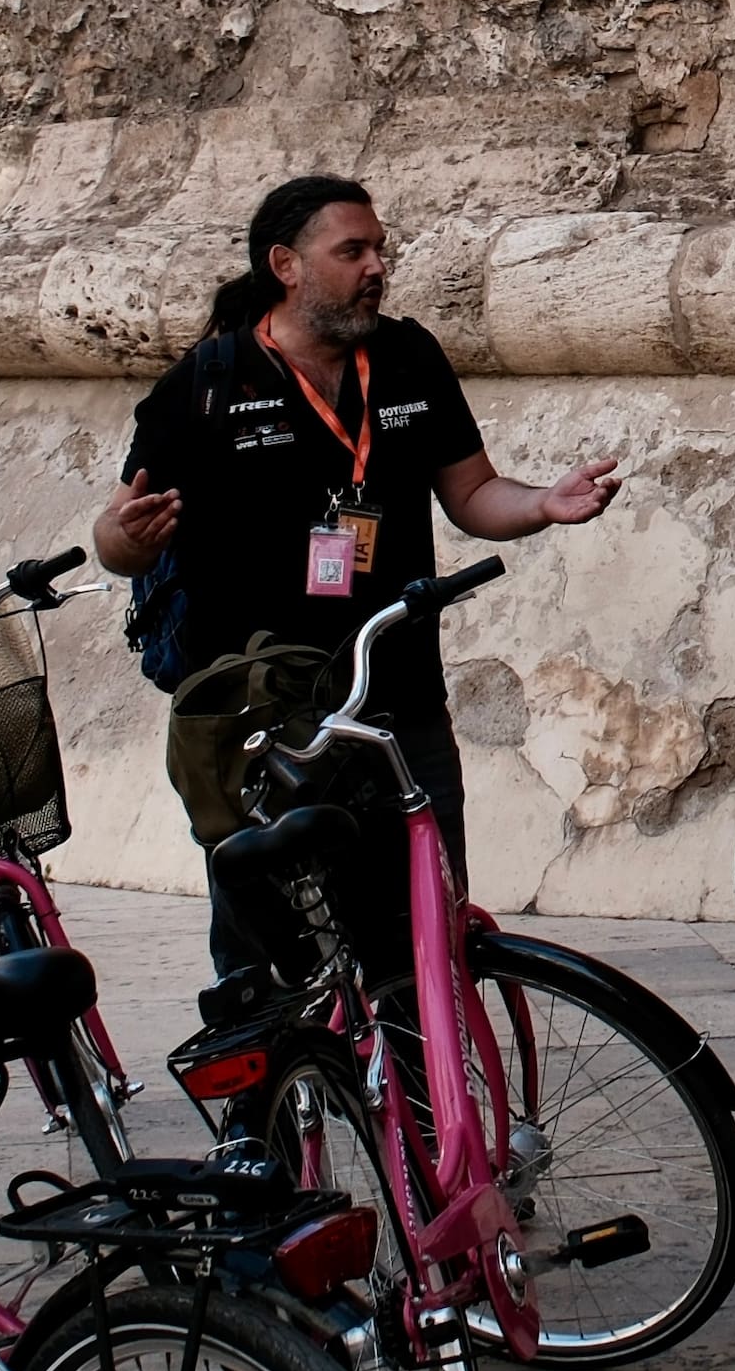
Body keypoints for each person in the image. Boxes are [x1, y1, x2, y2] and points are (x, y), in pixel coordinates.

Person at [91, 176, 617, 959]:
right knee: (279, 951)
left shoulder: (408, 357)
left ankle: (415, 1079)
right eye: (352, 250)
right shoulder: (206, 385)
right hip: (266, 720)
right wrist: (129, 537)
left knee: (425, 939)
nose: (376, 265)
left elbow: (472, 491)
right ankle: (287, 1080)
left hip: (399, 703)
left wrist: (543, 502)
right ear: (286, 264)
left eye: (379, 249)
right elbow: (117, 537)